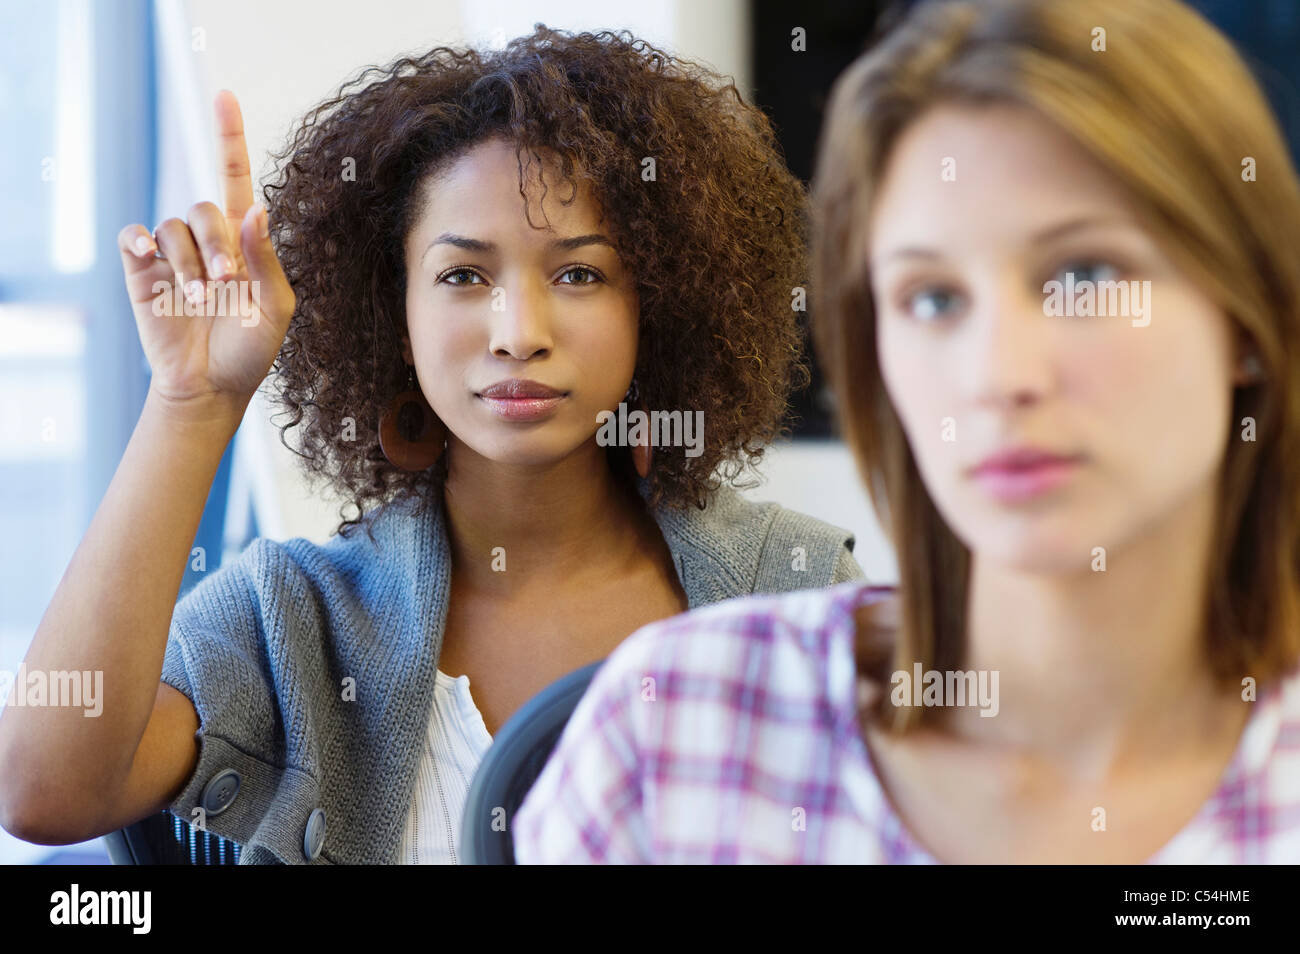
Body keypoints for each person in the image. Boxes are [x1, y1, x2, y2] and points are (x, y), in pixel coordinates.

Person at [0, 25, 863, 865]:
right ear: (394, 314)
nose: (518, 332)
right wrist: (193, 403)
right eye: (463, 275)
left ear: (659, 308)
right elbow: (43, 791)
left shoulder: (792, 588)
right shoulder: (291, 621)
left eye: (578, 273)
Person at [512, 0, 1300, 863]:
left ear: (1248, 324)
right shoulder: (675, 733)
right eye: (932, 298)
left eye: (1083, 274)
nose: (999, 376)